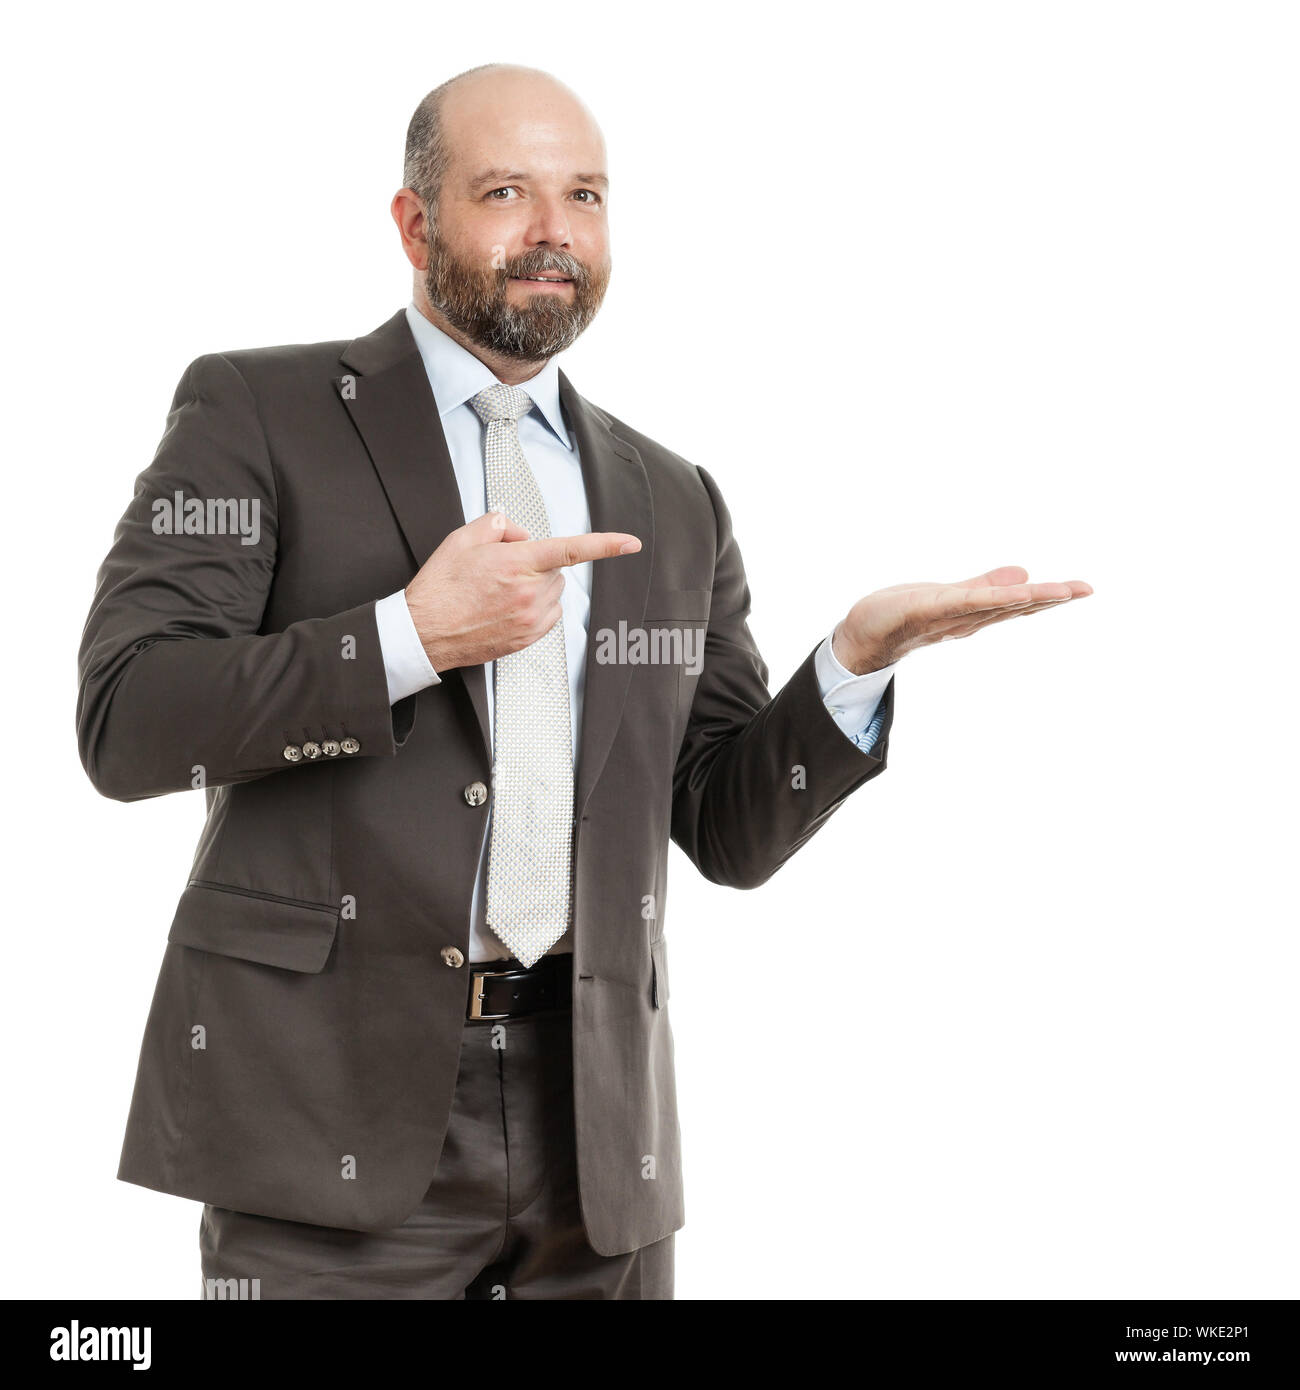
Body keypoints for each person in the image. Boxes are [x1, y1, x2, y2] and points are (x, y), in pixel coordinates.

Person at [76, 62, 1091, 1300]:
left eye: (587, 195)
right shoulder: (259, 410)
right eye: (505, 190)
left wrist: (852, 667)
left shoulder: (669, 494)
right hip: (320, 1125)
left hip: (595, 1140)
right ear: (414, 222)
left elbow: (725, 826)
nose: (554, 228)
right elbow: (130, 719)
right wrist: (408, 635)